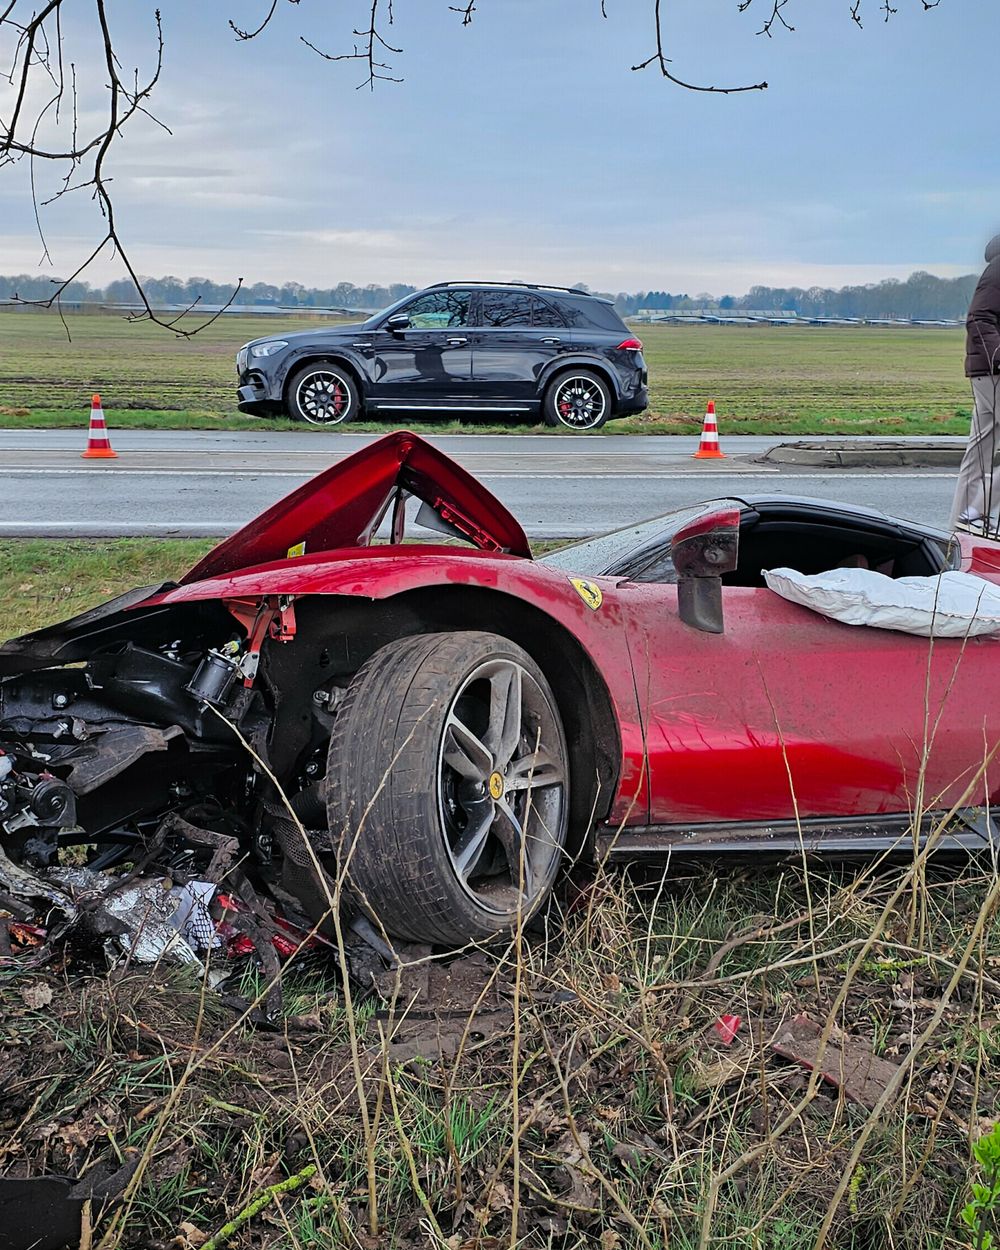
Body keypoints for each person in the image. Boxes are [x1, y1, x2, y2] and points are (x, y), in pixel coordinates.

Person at [950, 234, 1000, 535]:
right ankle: (975, 514)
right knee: (978, 453)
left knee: (978, 453)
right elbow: (979, 317)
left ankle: (954, 538)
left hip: (986, 371)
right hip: (995, 371)